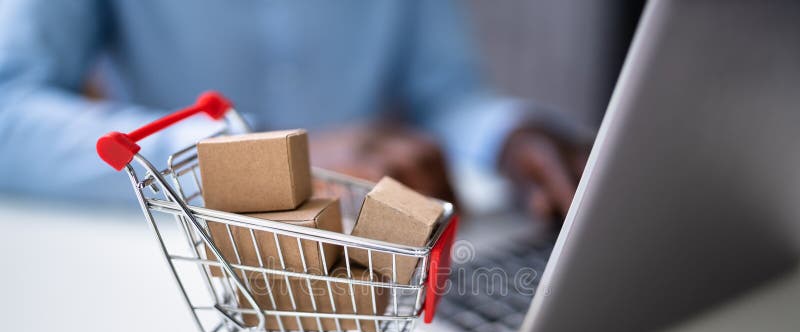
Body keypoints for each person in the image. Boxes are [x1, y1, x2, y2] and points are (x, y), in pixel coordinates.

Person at [0, 0, 590, 217]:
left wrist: (508, 134)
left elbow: (446, 93)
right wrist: (257, 166)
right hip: (181, 263)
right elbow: (8, 116)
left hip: (369, 254)